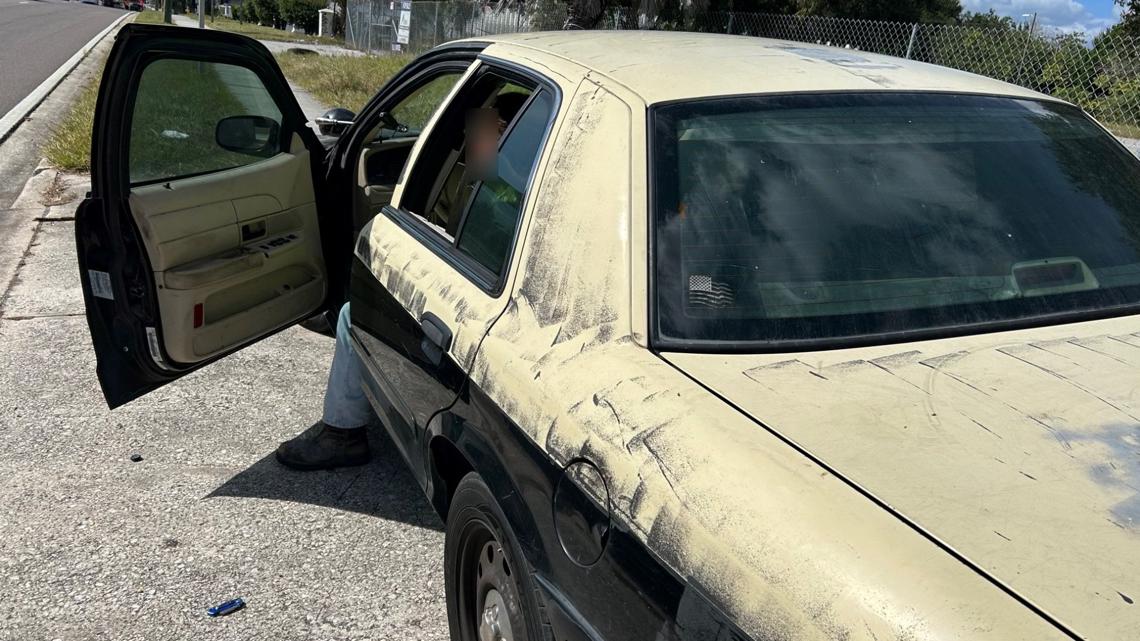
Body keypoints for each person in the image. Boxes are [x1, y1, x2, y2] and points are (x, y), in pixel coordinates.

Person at [274, 90, 527, 471]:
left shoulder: (495, 201)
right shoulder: (514, 189)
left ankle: (342, 434)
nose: (468, 141)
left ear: (506, 138)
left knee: (351, 314)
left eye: (482, 130)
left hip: (463, 325)